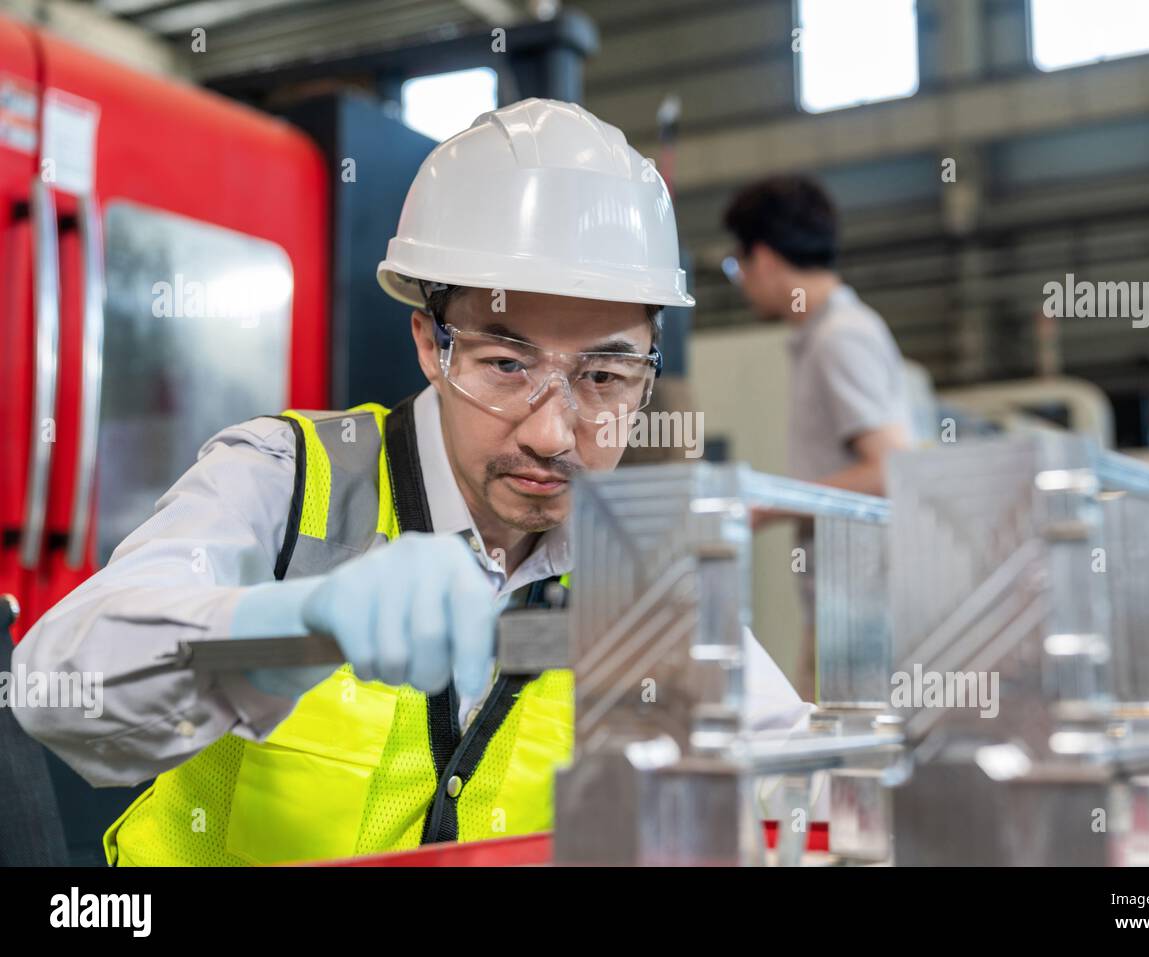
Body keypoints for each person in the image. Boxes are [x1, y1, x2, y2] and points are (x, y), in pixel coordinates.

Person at [13, 99, 810, 866]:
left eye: (604, 375)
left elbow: (793, 771)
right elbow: (55, 689)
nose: (552, 433)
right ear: (432, 343)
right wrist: (285, 630)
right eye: (506, 364)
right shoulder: (286, 483)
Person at [722, 175, 913, 698]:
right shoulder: (829, 334)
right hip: (846, 606)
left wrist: (770, 504)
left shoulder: (840, 337)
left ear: (762, 257)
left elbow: (892, 470)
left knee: (843, 766)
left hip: (859, 613)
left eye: (736, 266)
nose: (741, 281)